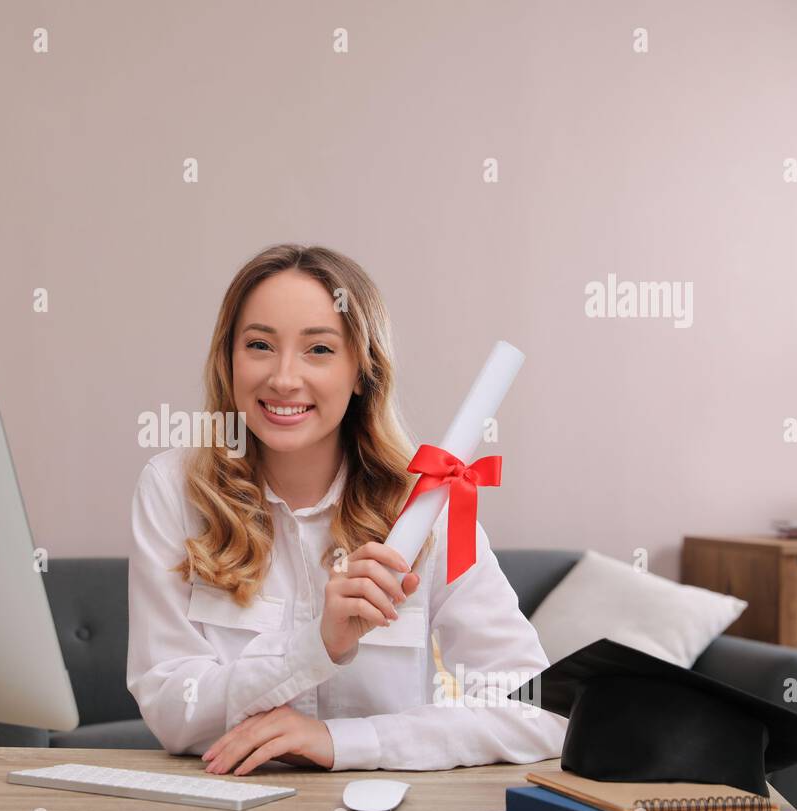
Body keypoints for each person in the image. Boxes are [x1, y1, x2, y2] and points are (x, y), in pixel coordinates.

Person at [126, 243, 568, 774]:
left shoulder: (429, 507)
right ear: (229, 359)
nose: (284, 378)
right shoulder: (174, 490)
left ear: (361, 370)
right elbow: (172, 708)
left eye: (319, 350)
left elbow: (534, 708)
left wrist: (345, 743)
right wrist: (316, 645)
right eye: (260, 345)